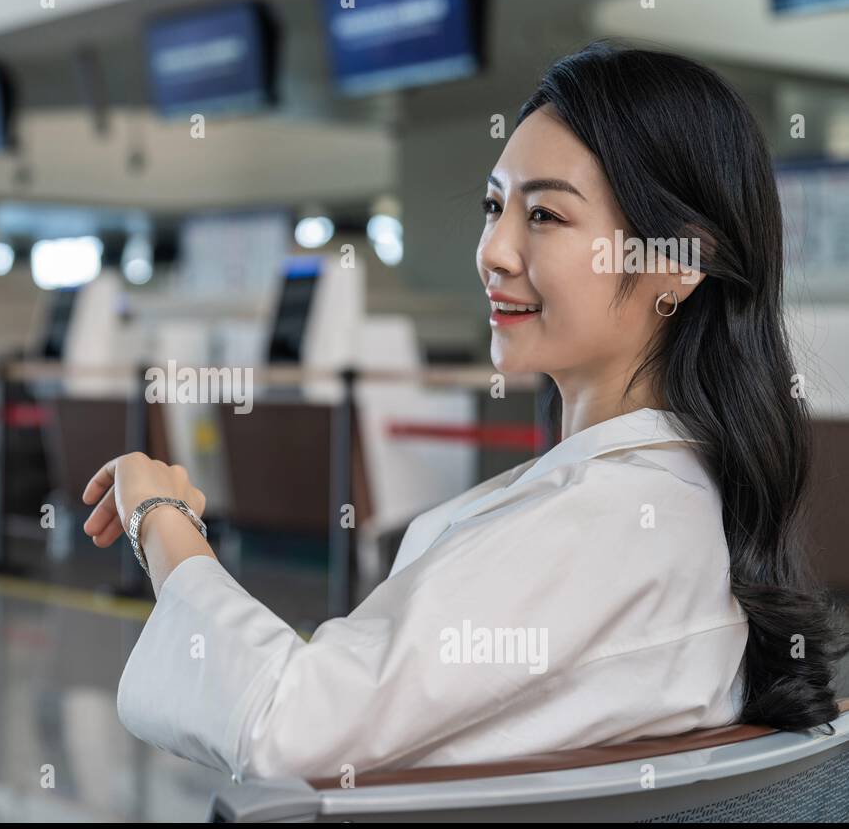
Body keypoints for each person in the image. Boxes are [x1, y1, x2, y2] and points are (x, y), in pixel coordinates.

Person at [82, 42, 849, 782]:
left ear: (676, 265)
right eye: (493, 206)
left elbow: (283, 722)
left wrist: (162, 521)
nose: (494, 249)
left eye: (545, 216)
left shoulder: (603, 526)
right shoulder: (672, 503)